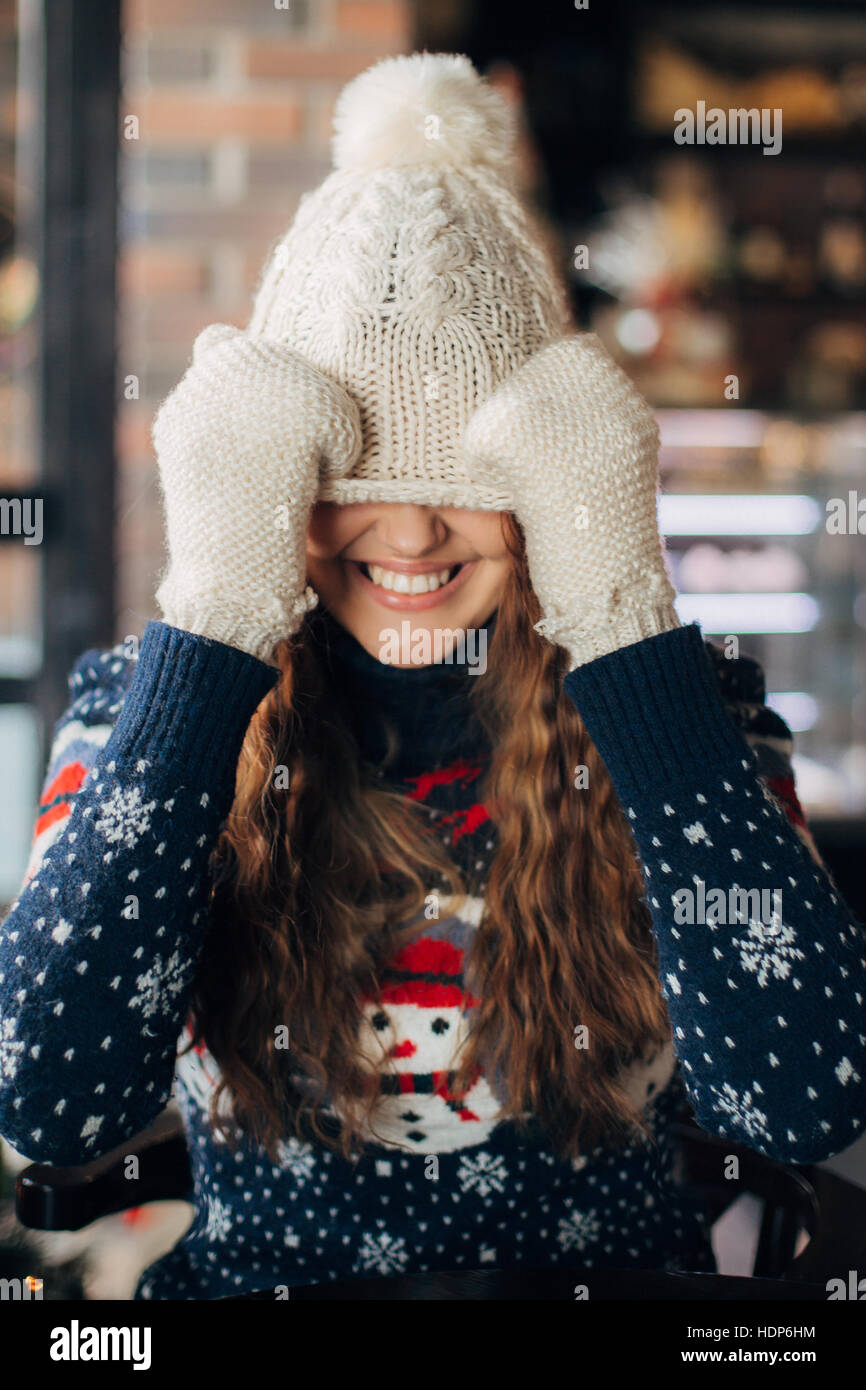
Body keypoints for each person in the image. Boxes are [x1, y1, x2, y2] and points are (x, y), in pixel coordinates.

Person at [1, 53, 864, 1301]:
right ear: (274, 486)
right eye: (346, 485)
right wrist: (214, 624)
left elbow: (803, 1100)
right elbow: (54, 1101)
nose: (407, 537)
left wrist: (620, 616)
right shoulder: (142, 709)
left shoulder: (689, 713)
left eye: (465, 479)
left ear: (541, 484)